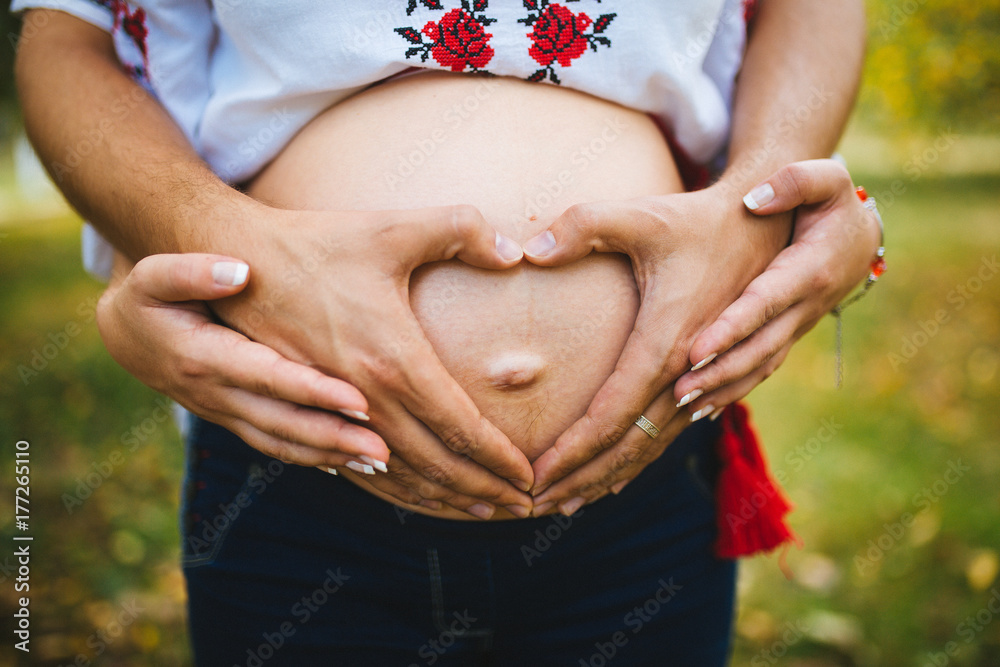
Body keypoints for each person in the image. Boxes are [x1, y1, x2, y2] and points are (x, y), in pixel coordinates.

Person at [14, 1, 880, 662]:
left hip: (647, 475)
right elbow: (67, 31)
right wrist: (209, 239)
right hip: (296, 469)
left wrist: (766, 201)